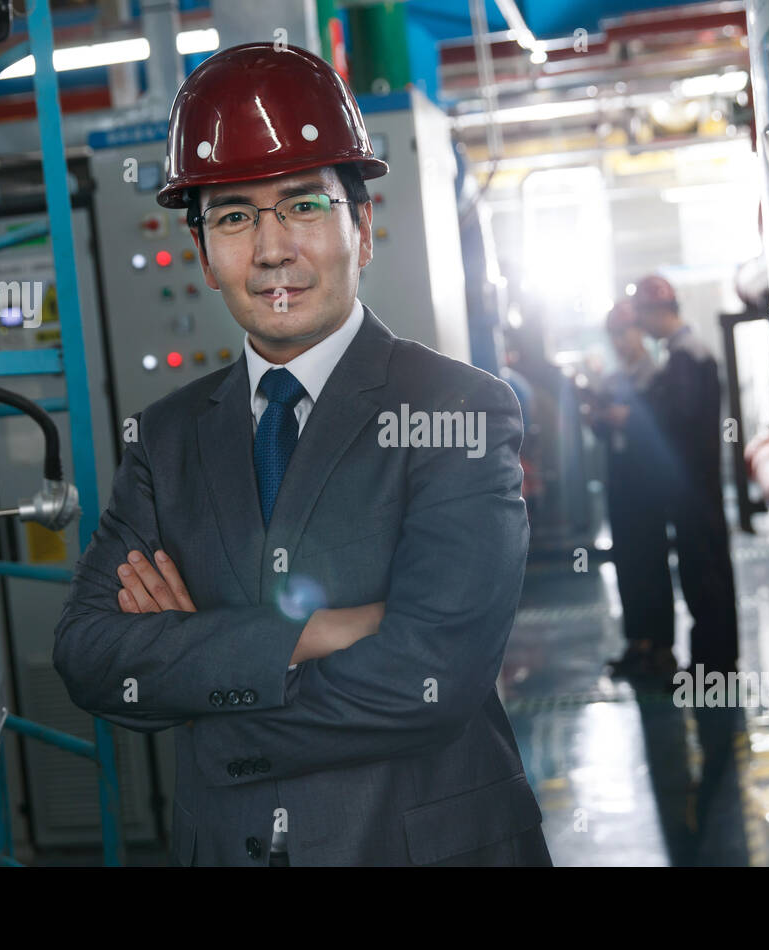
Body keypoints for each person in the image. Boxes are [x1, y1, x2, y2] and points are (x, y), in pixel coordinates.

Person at [52, 42, 550, 867]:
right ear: (205, 254)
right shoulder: (167, 439)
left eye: (304, 207)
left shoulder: (457, 410)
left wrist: (204, 683)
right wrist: (311, 633)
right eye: (236, 216)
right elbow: (89, 656)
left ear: (362, 230)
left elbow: (431, 677)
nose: (273, 249)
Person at [632, 275, 739, 677]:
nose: (641, 325)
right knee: (702, 571)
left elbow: (679, 421)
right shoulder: (684, 355)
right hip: (695, 487)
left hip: (694, 488)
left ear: (660, 311)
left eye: (643, 315)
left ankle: (715, 666)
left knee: (704, 573)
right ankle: (712, 661)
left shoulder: (686, 357)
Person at [589, 302, 677, 683]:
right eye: (614, 336)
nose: (620, 342)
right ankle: (637, 641)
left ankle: (662, 646)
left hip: (648, 483)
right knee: (627, 562)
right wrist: (597, 419)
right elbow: (604, 429)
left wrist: (632, 420)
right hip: (620, 482)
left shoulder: (656, 376)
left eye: (624, 333)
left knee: (652, 560)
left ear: (639, 331)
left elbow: (667, 427)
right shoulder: (611, 380)